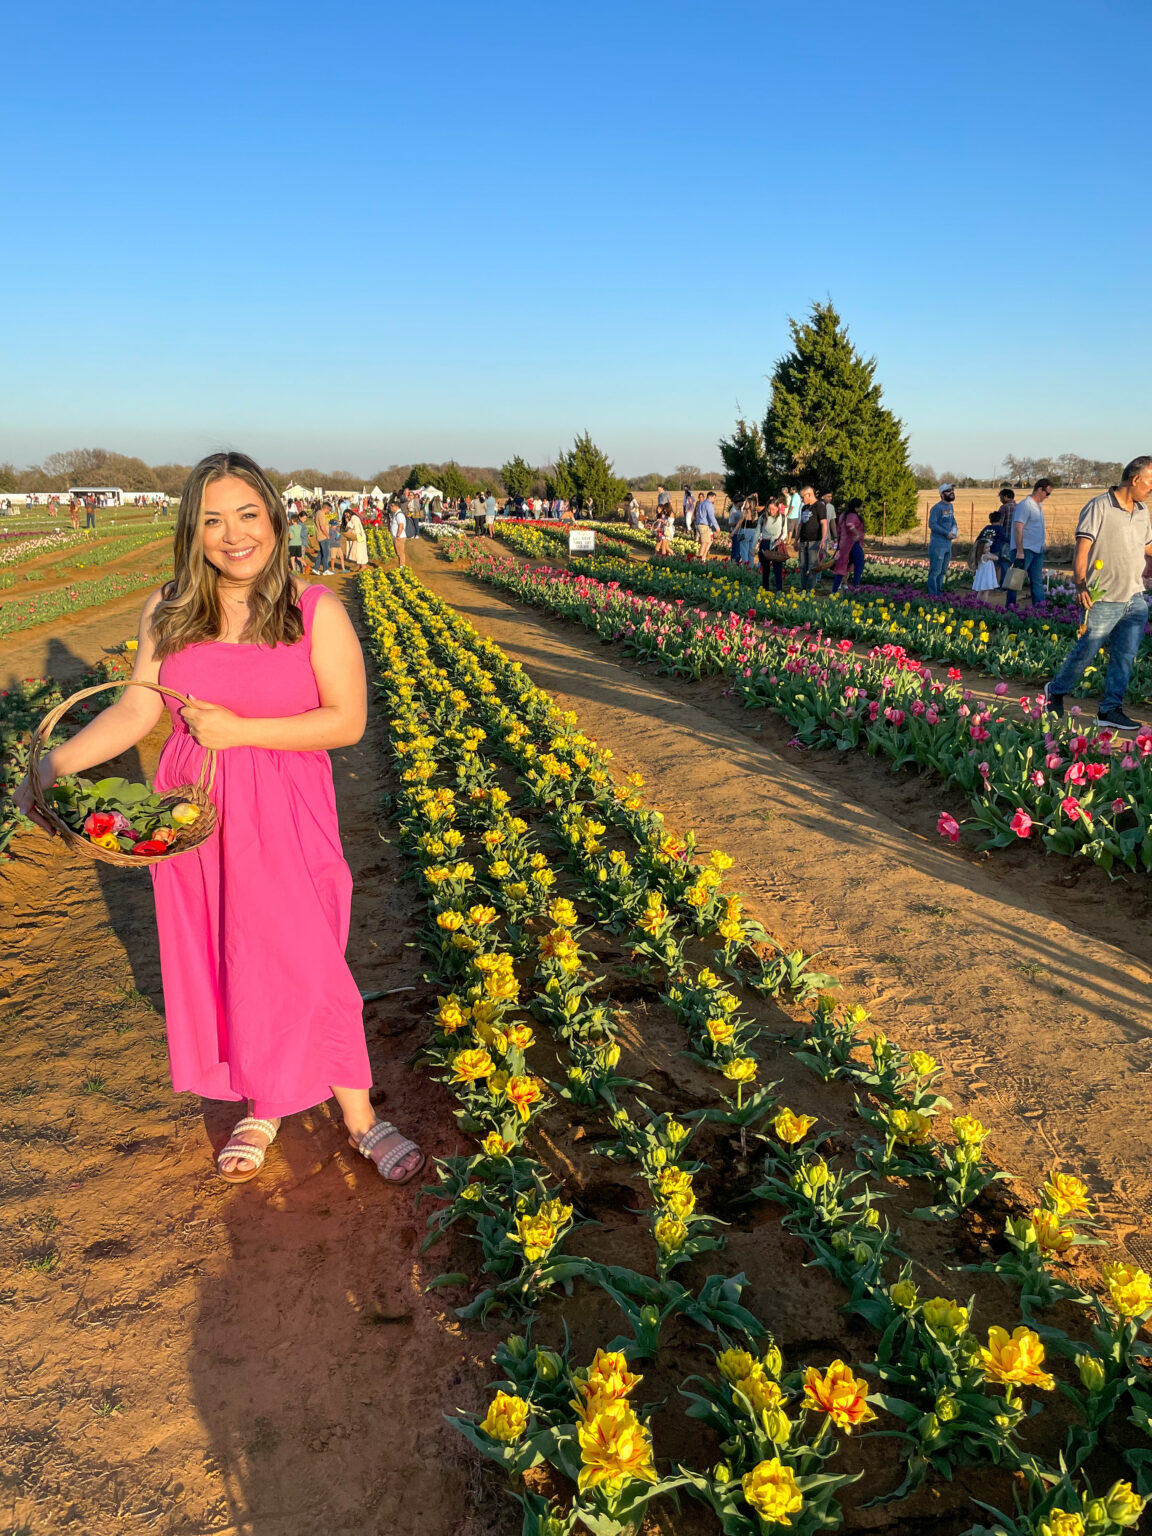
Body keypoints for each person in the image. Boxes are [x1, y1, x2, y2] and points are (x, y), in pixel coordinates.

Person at [12, 451, 424, 1186]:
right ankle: (263, 1101)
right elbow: (139, 708)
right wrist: (50, 767)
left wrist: (243, 731)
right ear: (191, 530)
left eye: (247, 515)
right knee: (228, 953)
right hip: (194, 812)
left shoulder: (313, 609)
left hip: (285, 805)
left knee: (308, 957)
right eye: (212, 520)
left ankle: (360, 1116)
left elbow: (347, 721)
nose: (234, 536)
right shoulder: (169, 607)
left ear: (273, 518)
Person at [1044, 456, 1152, 731]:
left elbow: (1147, 547)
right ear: (1136, 479)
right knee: (1086, 652)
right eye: (1150, 483)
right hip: (1101, 597)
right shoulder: (1099, 506)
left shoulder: (1142, 511)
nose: (1151, 489)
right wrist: (1080, 585)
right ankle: (1055, 690)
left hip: (1135, 597)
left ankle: (1110, 709)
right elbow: (1082, 550)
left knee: (1124, 656)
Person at [1009, 477, 1051, 607]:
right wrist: (1020, 551)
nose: (1047, 497)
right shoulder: (1025, 505)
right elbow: (1018, 527)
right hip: (1025, 550)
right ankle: (1009, 608)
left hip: (1037, 550)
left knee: (1037, 581)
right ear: (1039, 489)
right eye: (1047, 493)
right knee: (1015, 581)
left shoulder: (1038, 506)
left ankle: (1040, 610)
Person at [927, 483, 959, 595]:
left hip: (947, 545)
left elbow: (952, 520)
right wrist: (946, 533)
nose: (952, 492)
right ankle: (933, 594)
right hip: (938, 545)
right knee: (935, 571)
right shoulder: (937, 508)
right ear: (942, 494)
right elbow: (932, 524)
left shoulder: (950, 507)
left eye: (952, 489)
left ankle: (939, 592)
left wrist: (955, 528)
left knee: (943, 571)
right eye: (948, 490)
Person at [794, 486, 826, 591]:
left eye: (803, 497)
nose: (802, 500)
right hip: (803, 540)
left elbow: (824, 523)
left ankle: (809, 591)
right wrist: (796, 540)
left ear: (809, 494)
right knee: (802, 566)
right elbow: (800, 525)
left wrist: (822, 540)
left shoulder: (819, 506)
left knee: (812, 567)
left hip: (814, 541)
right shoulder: (804, 508)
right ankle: (803, 589)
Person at [830, 497, 866, 592]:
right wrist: (857, 533)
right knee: (859, 564)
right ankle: (855, 587)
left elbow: (839, 530)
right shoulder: (852, 515)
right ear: (856, 507)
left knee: (841, 568)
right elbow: (849, 524)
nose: (861, 508)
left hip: (843, 545)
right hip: (852, 544)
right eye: (860, 506)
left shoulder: (843, 515)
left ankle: (834, 591)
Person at [757, 498, 789, 592]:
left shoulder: (782, 518)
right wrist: (753, 546)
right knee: (765, 569)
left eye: (774, 509)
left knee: (777, 568)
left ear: (778, 508)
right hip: (765, 543)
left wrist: (780, 540)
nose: (772, 511)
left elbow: (785, 532)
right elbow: (757, 532)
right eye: (770, 509)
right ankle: (765, 589)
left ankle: (779, 589)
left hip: (777, 544)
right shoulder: (763, 517)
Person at [694, 490, 719, 557]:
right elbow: (711, 516)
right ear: (710, 497)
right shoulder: (709, 504)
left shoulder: (702, 503)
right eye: (714, 498)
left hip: (699, 524)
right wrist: (717, 527)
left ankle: (703, 557)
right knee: (704, 543)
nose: (715, 500)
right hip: (704, 526)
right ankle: (700, 559)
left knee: (707, 541)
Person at [313, 501, 333, 575]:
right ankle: (325, 569)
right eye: (329, 510)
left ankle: (316, 568)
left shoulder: (318, 512)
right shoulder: (321, 514)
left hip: (319, 536)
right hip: (323, 536)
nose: (329, 512)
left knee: (321, 553)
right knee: (326, 553)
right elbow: (322, 526)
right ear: (326, 508)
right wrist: (327, 535)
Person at [389, 501, 407, 567]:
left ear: (396, 507)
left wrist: (398, 535)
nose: (391, 507)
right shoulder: (396, 514)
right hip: (397, 536)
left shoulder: (399, 515)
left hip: (399, 537)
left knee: (400, 552)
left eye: (392, 506)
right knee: (398, 552)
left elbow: (401, 525)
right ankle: (401, 565)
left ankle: (402, 566)